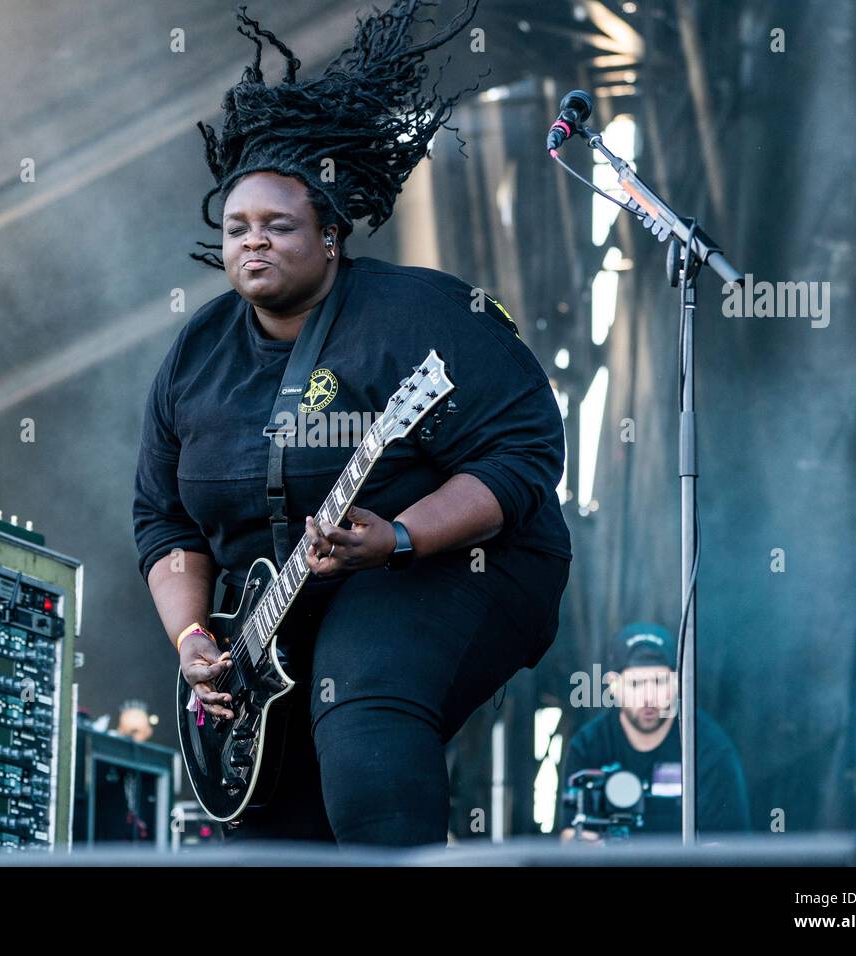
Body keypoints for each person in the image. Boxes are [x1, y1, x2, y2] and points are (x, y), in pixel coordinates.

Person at [132, 0, 571, 847]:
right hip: (282, 609)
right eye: (236, 230)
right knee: (269, 824)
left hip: (455, 564)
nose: (252, 244)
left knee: (364, 709)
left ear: (332, 236)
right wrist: (193, 637)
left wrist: (400, 538)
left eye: (279, 226)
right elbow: (164, 521)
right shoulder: (194, 355)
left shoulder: (419, 314)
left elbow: (522, 452)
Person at [558, 622, 750, 841]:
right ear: (614, 685)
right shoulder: (589, 746)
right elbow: (573, 839)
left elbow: (727, 848)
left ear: (678, 682)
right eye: (636, 684)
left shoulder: (709, 748)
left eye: (659, 682)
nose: (648, 697)